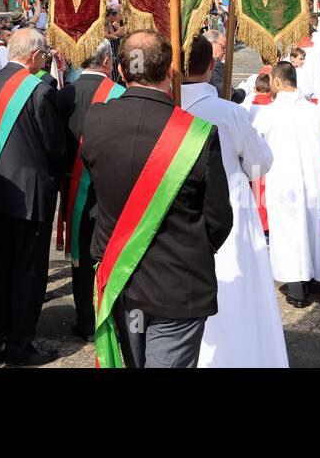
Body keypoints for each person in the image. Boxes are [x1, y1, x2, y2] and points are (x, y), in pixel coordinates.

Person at [82, 30, 231, 368]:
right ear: (170, 72)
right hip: (178, 284)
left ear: (121, 72)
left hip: (122, 279)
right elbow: (220, 220)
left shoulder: (96, 121)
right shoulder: (198, 133)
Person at [180, 34, 287, 368]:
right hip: (230, 210)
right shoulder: (229, 113)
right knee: (237, 289)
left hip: (179, 217)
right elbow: (261, 163)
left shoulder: (169, 109)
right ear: (211, 66)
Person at [0, 27, 70, 366]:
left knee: (3, 268)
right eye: (44, 54)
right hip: (32, 194)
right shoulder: (39, 91)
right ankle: (21, 345)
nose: (45, 59)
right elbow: (55, 145)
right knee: (29, 272)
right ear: (33, 56)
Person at [252, 62, 320, 308]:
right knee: (311, 229)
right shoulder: (316, 112)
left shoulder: (266, 114)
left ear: (276, 82)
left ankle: (297, 286)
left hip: (283, 180)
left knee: (289, 233)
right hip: (313, 178)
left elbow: (256, 147)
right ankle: (309, 277)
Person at [55, 39, 123, 343]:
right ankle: (115, 318)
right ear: (107, 61)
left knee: (80, 256)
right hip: (112, 191)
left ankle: (85, 319)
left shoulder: (62, 95)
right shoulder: (120, 95)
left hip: (75, 187)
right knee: (112, 256)